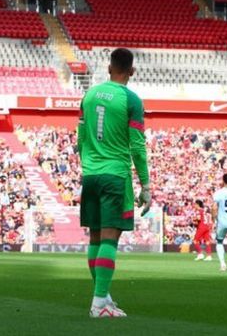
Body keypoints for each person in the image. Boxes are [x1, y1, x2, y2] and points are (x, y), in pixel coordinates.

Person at [77, 47, 151, 318]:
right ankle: (98, 304)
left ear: (109, 68)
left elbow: (80, 137)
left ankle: (103, 297)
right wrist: (146, 184)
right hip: (115, 176)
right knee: (110, 238)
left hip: (91, 175)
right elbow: (137, 146)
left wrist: (87, 166)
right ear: (132, 71)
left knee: (95, 239)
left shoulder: (89, 94)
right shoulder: (131, 100)